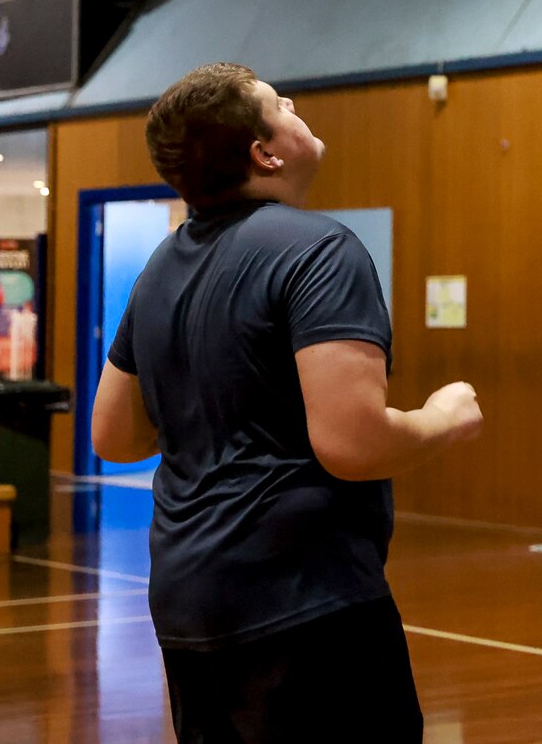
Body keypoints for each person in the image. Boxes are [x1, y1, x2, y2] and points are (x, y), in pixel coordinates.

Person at [90, 63, 484, 742]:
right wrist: (444, 419)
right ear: (265, 153)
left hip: (188, 605)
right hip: (306, 603)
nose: (296, 103)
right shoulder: (318, 251)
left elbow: (115, 434)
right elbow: (352, 442)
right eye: (279, 103)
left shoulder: (159, 268)